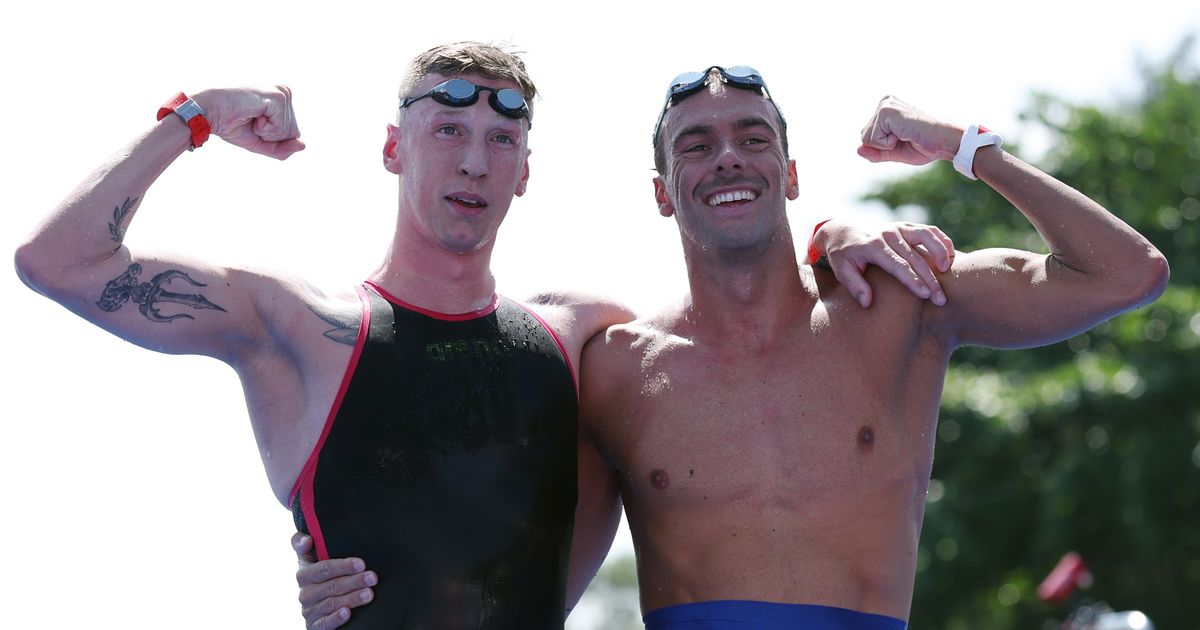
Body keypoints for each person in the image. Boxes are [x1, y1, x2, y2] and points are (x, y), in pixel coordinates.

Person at [15, 47, 954, 629]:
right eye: (447, 128)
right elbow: (57, 262)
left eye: (501, 140)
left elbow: (748, 311)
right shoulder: (298, 328)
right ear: (393, 148)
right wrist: (200, 114)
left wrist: (837, 233)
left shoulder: (581, 332)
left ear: (527, 172)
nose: (474, 157)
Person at [296, 65, 1169, 628]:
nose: (729, 161)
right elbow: (508, 584)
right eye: (697, 146)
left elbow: (1126, 275)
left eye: (754, 140)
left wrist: (963, 148)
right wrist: (346, 577)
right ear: (663, 193)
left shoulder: (899, 304)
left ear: (789, 174)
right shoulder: (612, 368)